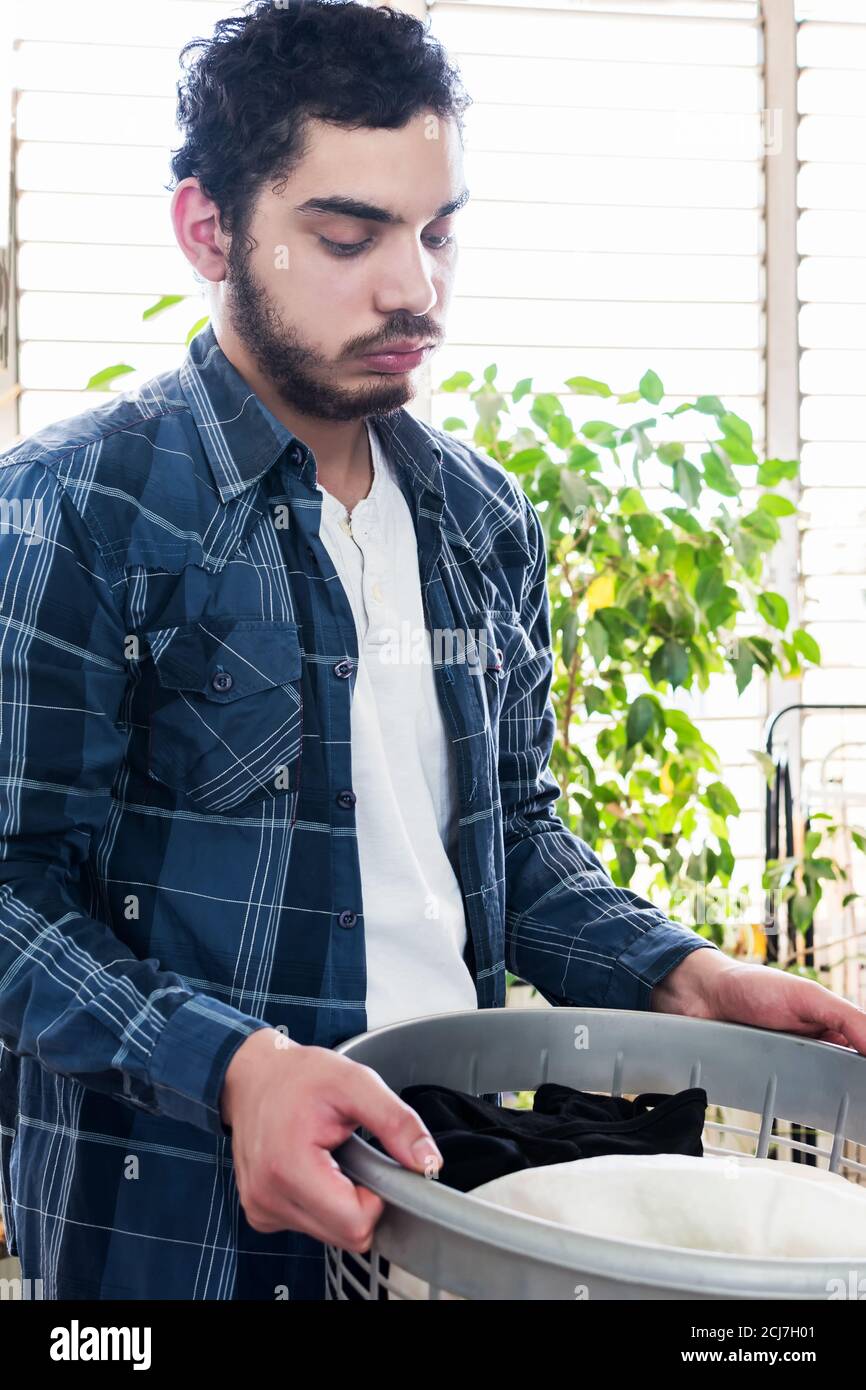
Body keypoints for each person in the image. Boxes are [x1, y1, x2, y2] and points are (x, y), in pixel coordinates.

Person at [0, 0, 864, 1303]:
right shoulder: (75, 509)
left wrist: (683, 972)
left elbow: (512, 842)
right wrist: (234, 1066)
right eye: (348, 235)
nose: (415, 286)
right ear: (207, 230)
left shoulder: (482, 520)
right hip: (175, 1228)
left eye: (437, 230)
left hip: (449, 1196)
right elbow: (12, 892)